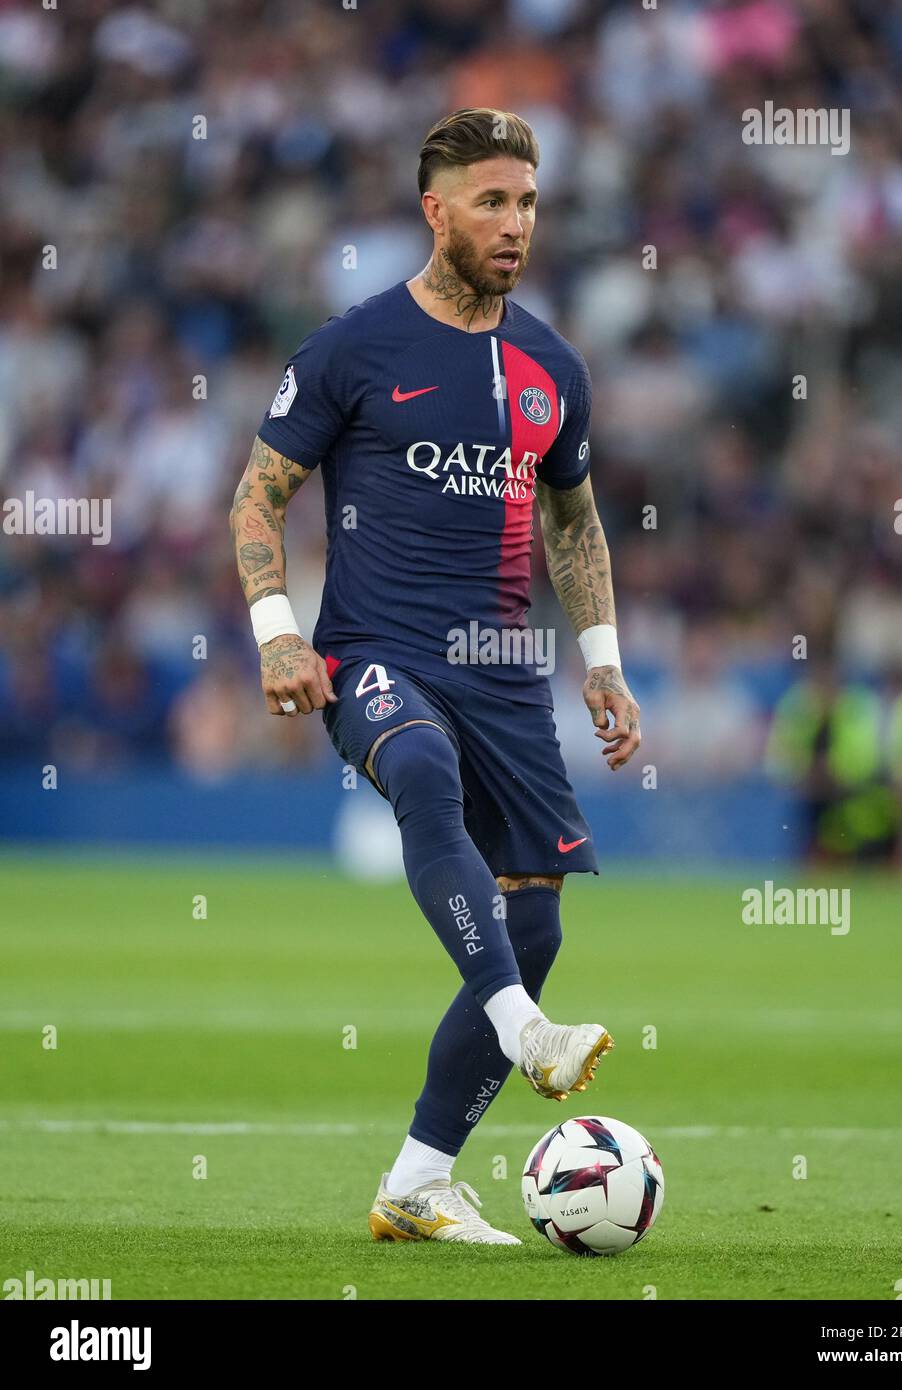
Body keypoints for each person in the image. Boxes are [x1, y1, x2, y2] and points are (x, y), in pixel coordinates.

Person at [230, 108, 642, 1245]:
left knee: (541, 924)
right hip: (376, 653)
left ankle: (418, 1179)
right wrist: (277, 633)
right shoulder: (352, 346)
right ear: (437, 210)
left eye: (530, 202)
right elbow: (259, 494)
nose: (518, 225)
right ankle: (527, 1028)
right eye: (494, 202)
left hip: (508, 675)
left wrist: (602, 665)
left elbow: (578, 524)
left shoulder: (552, 367)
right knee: (415, 765)